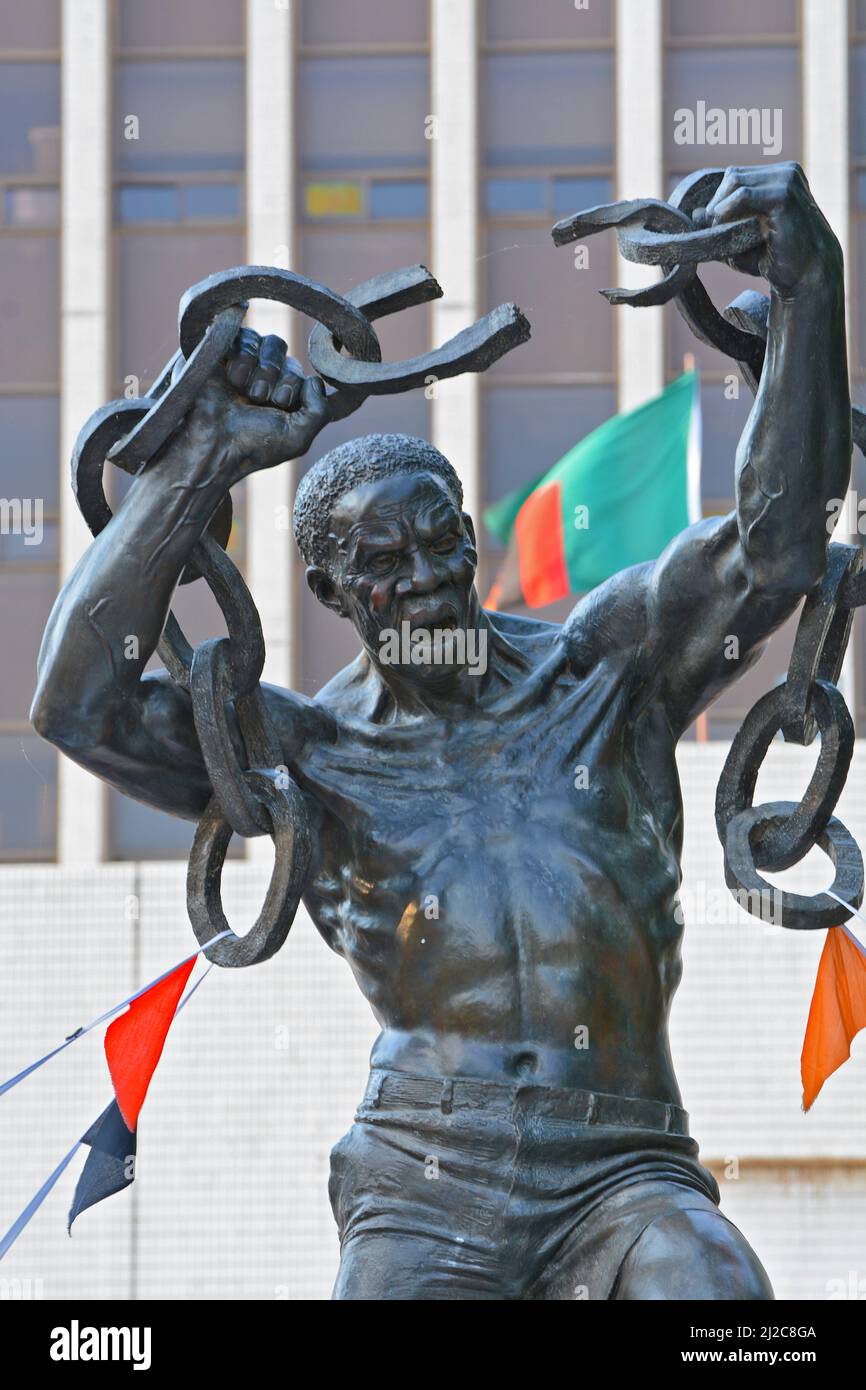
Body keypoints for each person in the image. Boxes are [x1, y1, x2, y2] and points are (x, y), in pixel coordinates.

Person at [32, 164, 848, 1299]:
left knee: (715, 1297)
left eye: (436, 542)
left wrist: (811, 286)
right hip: (423, 1176)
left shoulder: (605, 665)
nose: (420, 578)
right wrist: (201, 459)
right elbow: (78, 705)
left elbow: (777, 551)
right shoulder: (307, 756)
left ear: (469, 538)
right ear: (328, 592)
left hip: (622, 1164)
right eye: (379, 564)